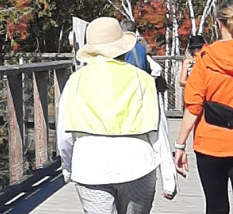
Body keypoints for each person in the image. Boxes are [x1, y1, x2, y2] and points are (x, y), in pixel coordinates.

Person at [58, 16, 177, 214]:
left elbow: (64, 134)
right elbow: (159, 132)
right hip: (137, 163)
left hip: (90, 165)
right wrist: (168, 177)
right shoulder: (143, 79)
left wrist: (67, 167)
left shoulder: (75, 81)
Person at [175, 0, 233, 213]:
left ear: (219, 23)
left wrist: (180, 145)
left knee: (216, 205)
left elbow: (193, 106)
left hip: (210, 143)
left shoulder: (207, 57)